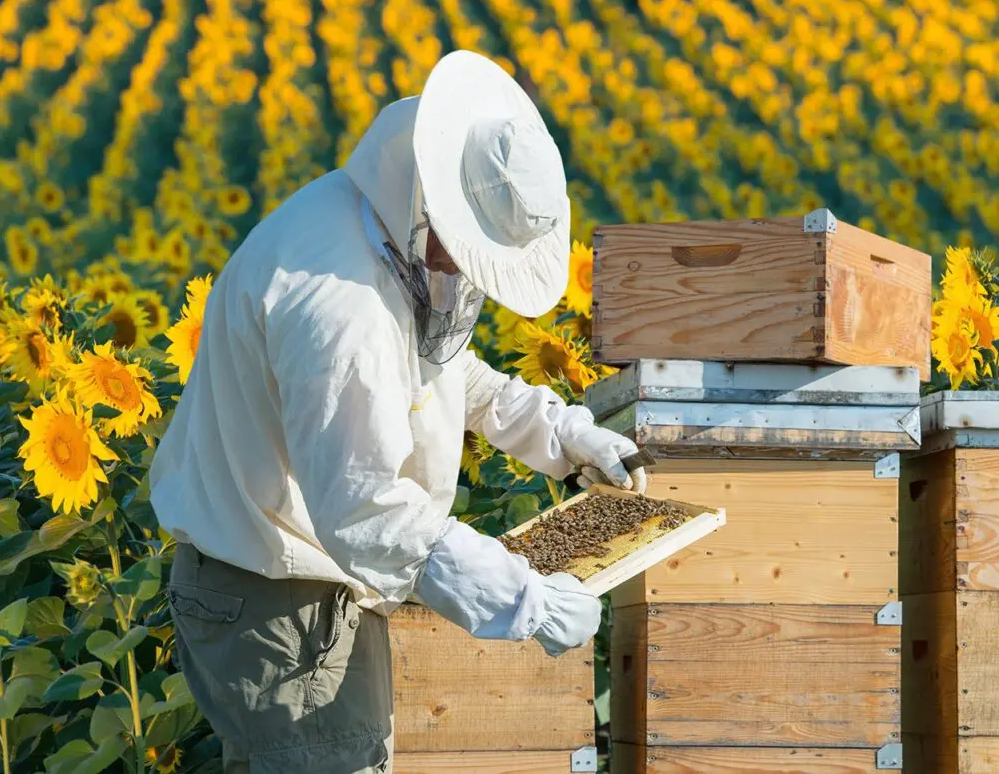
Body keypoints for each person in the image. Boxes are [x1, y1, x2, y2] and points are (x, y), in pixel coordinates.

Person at [149, 49, 648, 774]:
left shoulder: (377, 229)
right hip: (280, 603)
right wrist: (522, 599)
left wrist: (560, 431)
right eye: (467, 253)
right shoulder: (339, 303)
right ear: (438, 203)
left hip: (300, 589)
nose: (464, 274)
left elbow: (440, 375)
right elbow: (367, 508)